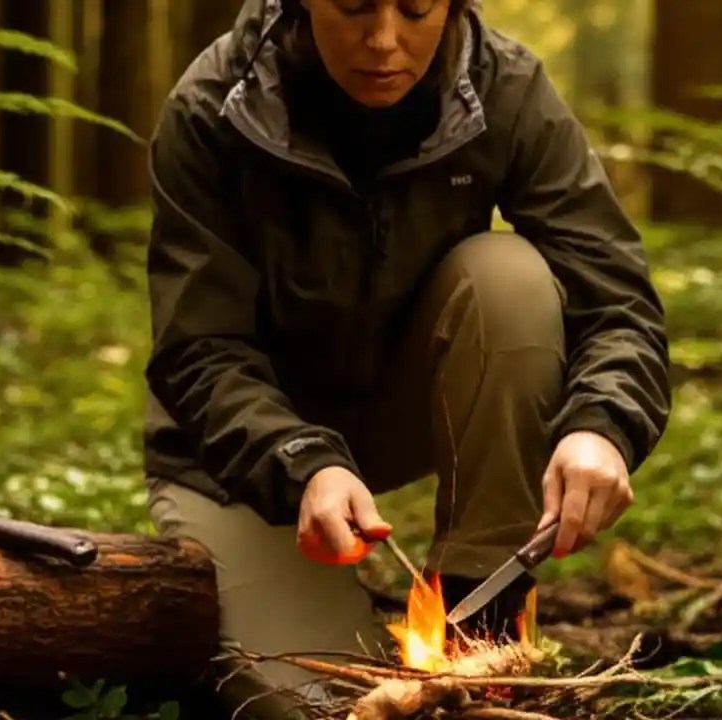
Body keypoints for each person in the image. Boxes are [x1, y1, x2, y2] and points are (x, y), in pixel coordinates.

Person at [142, 0, 671, 715]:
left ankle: (479, 619)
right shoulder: (219, 107)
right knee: (322, 702)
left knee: (507, 277)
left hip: (399, 403)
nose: (385, 41)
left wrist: (602, 426)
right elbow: (198, 350)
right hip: (243, 453)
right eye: (354, 6)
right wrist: (304, 463)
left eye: (418, 8)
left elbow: (616, 299)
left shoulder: (503, 88)